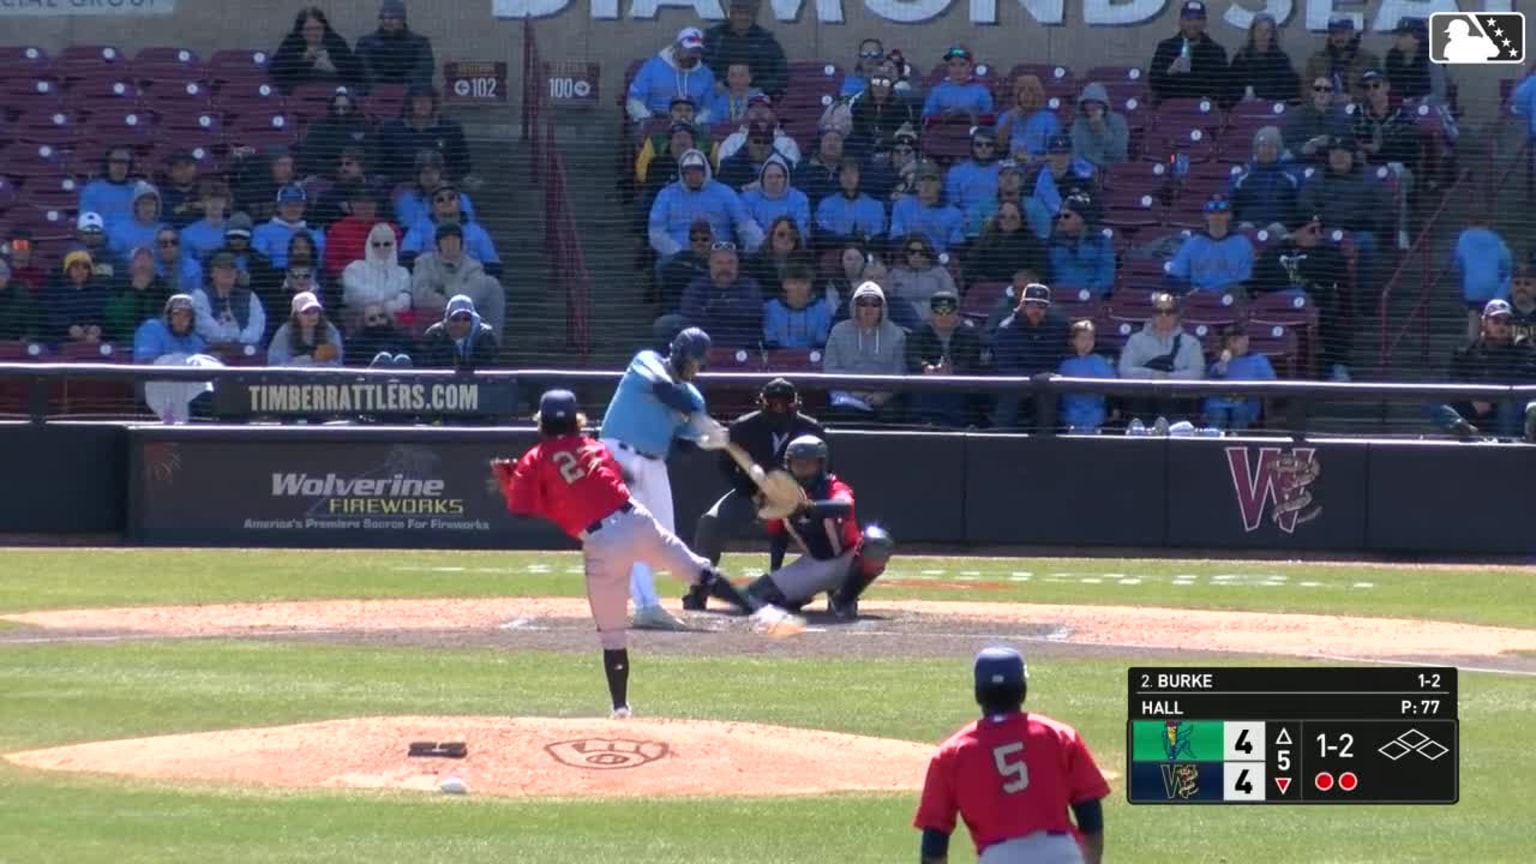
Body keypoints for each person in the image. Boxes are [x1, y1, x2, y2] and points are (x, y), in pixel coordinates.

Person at [492, 389, 805, 719]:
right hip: (636, 520)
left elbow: (520, 510)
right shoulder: (592, 446)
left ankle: (620, 708)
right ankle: (765, 614)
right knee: (699, 572)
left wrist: (513, 484)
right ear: (576, 421)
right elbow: (610, 477)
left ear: (541, 422)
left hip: (601, 543)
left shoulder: (534, 460)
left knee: (612, 633)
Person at [914, 646, 1110, 864]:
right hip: (1061, 852)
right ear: (1022, 690)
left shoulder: (951, 753)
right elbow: (1089, 812)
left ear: (978, 693)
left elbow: (934, 841)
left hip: (999, 856)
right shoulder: (1060, 735)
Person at [598, 327, 717, 630]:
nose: (695, 367)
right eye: (692, 360)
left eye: (699, 363)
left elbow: (685, 442)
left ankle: (630, 591)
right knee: (635, 532)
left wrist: (708, 435)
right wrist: (696, 413)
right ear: (678, 354)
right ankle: (646, 605)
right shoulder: (646, 361)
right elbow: (665, 390)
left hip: (654, 463)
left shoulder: (694, 396)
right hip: (619, 454)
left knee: (663, 538)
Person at [684, 378, 825, 611]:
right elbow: (726, 466)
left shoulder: (812, 429)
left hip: (800, 498)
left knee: (832, 526)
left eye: (784, 403)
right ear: (762, 402)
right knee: (710, 522)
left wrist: (804, 497)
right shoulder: (743, 427)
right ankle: (699, 589)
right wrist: (751, 491)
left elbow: (825, 470)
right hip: (753, 495)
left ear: (796, 403)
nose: (779, 408)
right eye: (773, 402)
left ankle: (840, 595)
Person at [740, 435, 894, 619]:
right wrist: (776, 573)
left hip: (848, 560)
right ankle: (796, 598)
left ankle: (843, 599)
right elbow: (778, 537)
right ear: (789, 465)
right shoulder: (783, 498)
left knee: (877, 542)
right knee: (752, 598)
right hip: (814, 565)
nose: (802, 469)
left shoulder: (835, 486)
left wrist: (808, 507)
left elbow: (845, 506)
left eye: (808, 464)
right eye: (798, 464)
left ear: (820, 465)